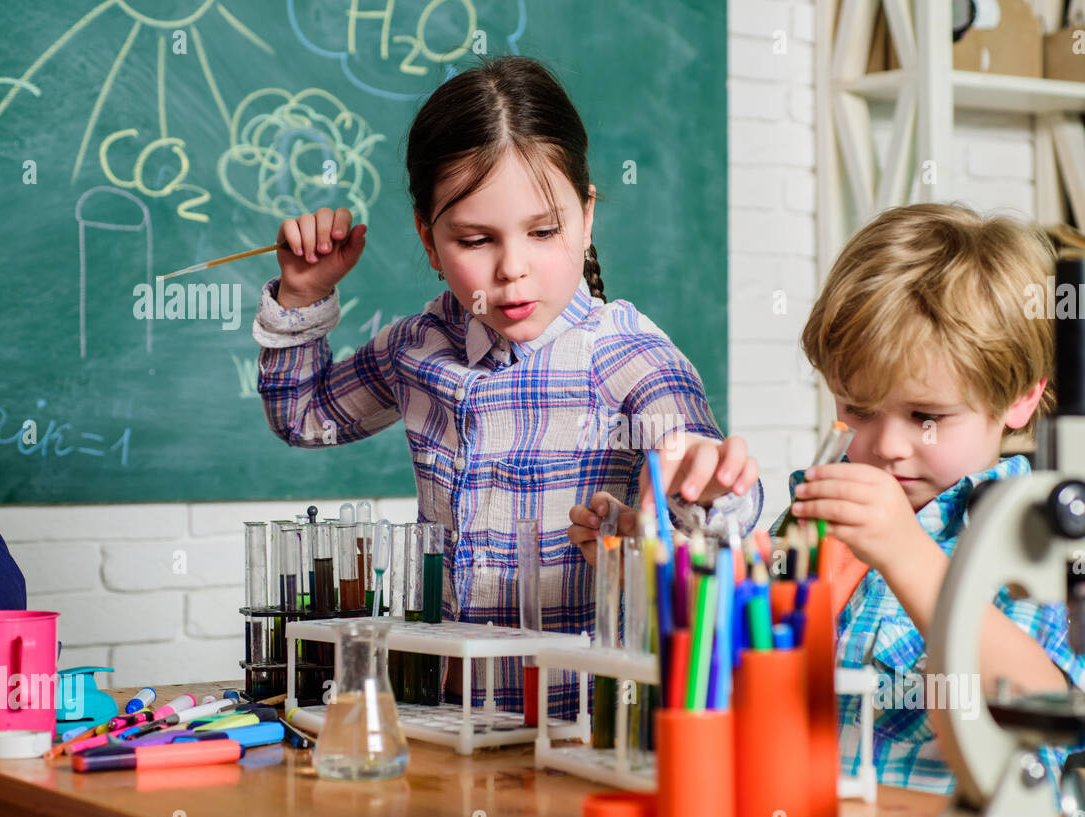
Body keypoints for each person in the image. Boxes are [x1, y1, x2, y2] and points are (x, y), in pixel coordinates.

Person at [254, 57, 760, 717]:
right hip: (440, 718)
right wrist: (303, 295)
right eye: (474, 239)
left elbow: (718, 512)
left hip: (579, 732)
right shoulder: (419, 347)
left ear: (587, 217)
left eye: (544, 232)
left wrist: (709, 491)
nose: (514, 269)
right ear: (428, 241)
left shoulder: (630, 358)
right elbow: (303, 416)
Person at [788, 203, 1085, 795]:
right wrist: (663, 542)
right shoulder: (820, 510)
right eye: (858, 409)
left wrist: (908, 555)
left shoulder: (1045, 543)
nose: (888, 445)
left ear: (1020, 400)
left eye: (927, 416)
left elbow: (1049, 709)